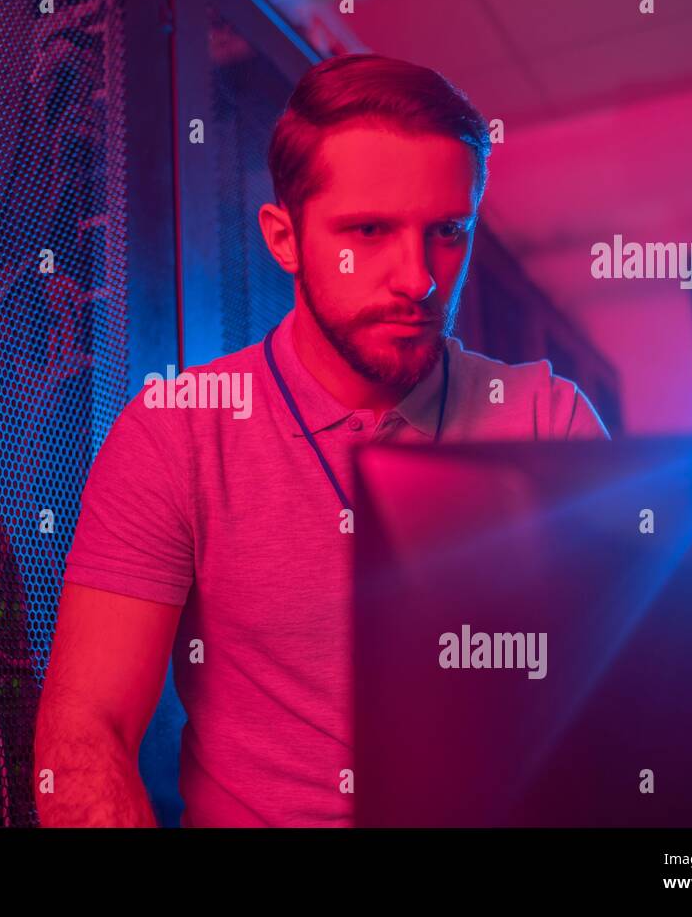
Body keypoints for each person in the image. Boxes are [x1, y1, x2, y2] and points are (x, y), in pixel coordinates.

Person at [34, 54, 609, 827]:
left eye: (446, 233)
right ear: (285, 237)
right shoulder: (177, 433)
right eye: (368, 231)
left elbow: (629, 706)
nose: (418, 278)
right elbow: (84, 732)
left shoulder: (546, 418)